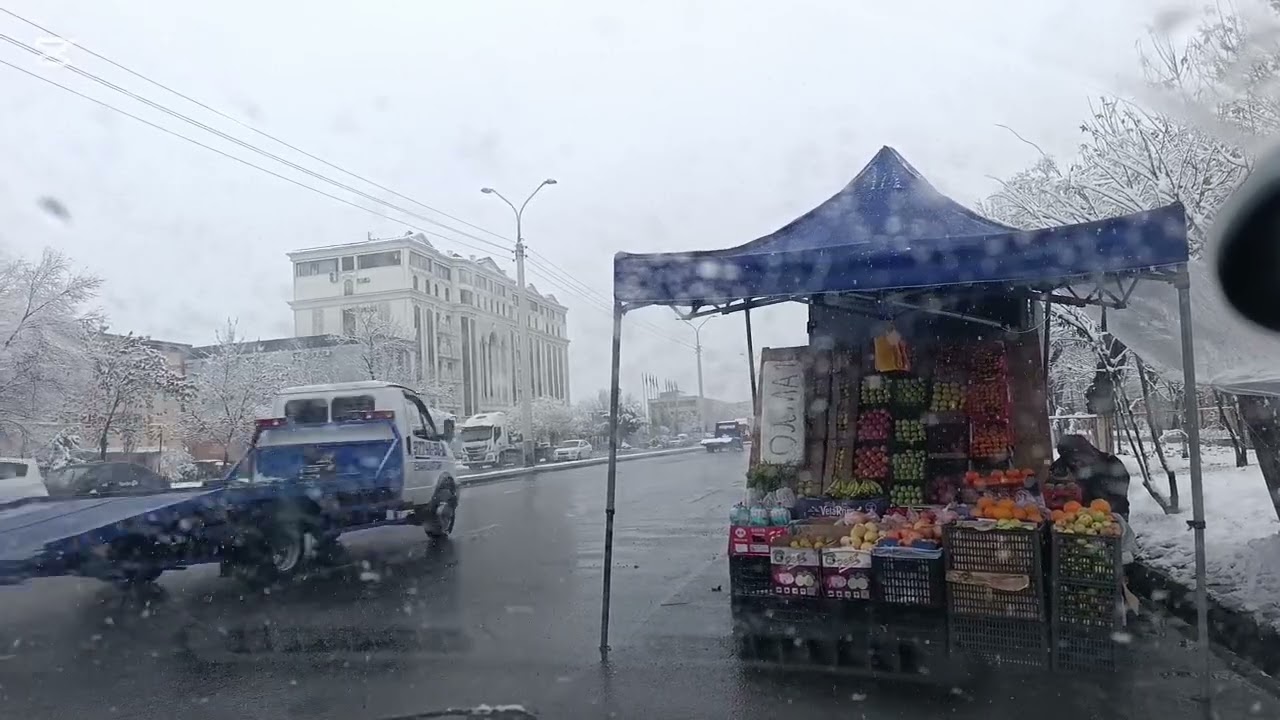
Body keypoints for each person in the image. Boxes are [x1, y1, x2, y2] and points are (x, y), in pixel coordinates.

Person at [1049, 434, 1131, 519]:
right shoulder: (1064, 464)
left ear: (1087, 452)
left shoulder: (1110, 462)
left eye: (1077, 459)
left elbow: (1119, 493)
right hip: (1077, 516)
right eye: (1071, 460)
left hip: (1111, 513)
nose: (1076, 463)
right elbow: (1052, 483)